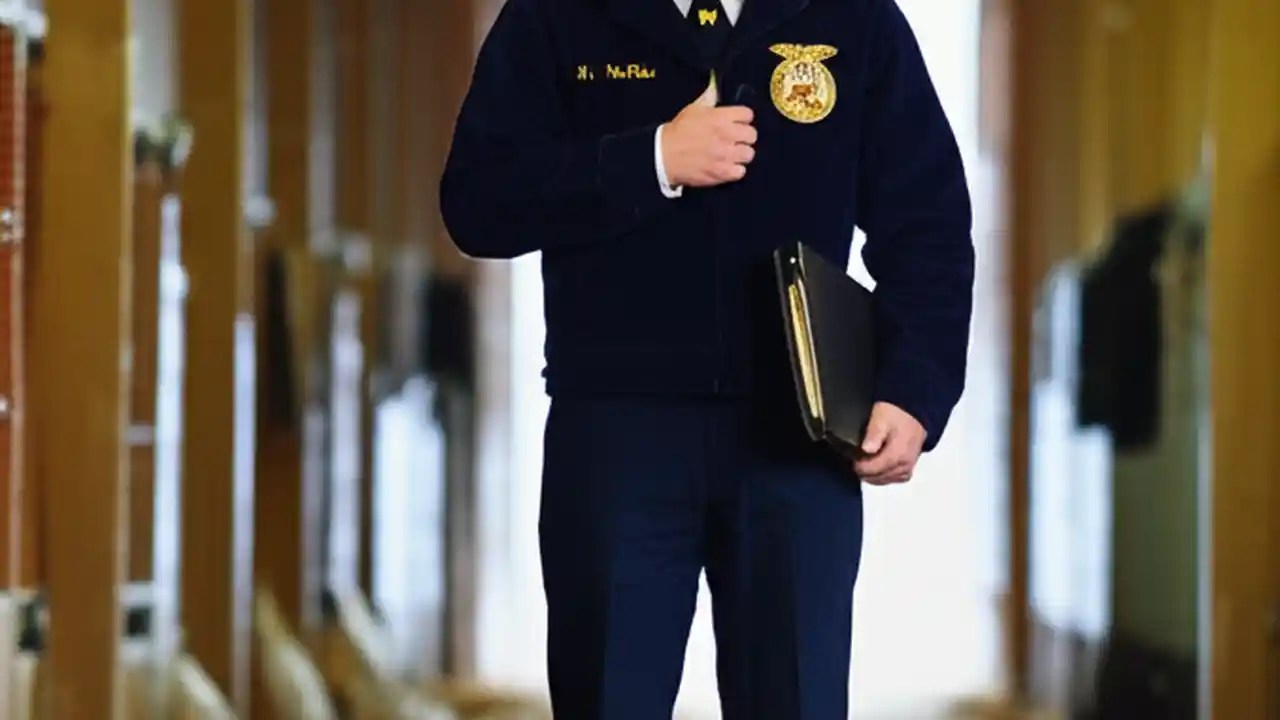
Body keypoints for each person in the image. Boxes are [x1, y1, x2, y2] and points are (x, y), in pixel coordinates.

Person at [440, 0, 974, 716]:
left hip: (797, 434)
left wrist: (913, 387)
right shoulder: (557, 14)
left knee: (797, 697)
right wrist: (653, 159)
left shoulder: (853, 17)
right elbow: (478, 199)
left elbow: (928, 223)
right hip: (617, 431)